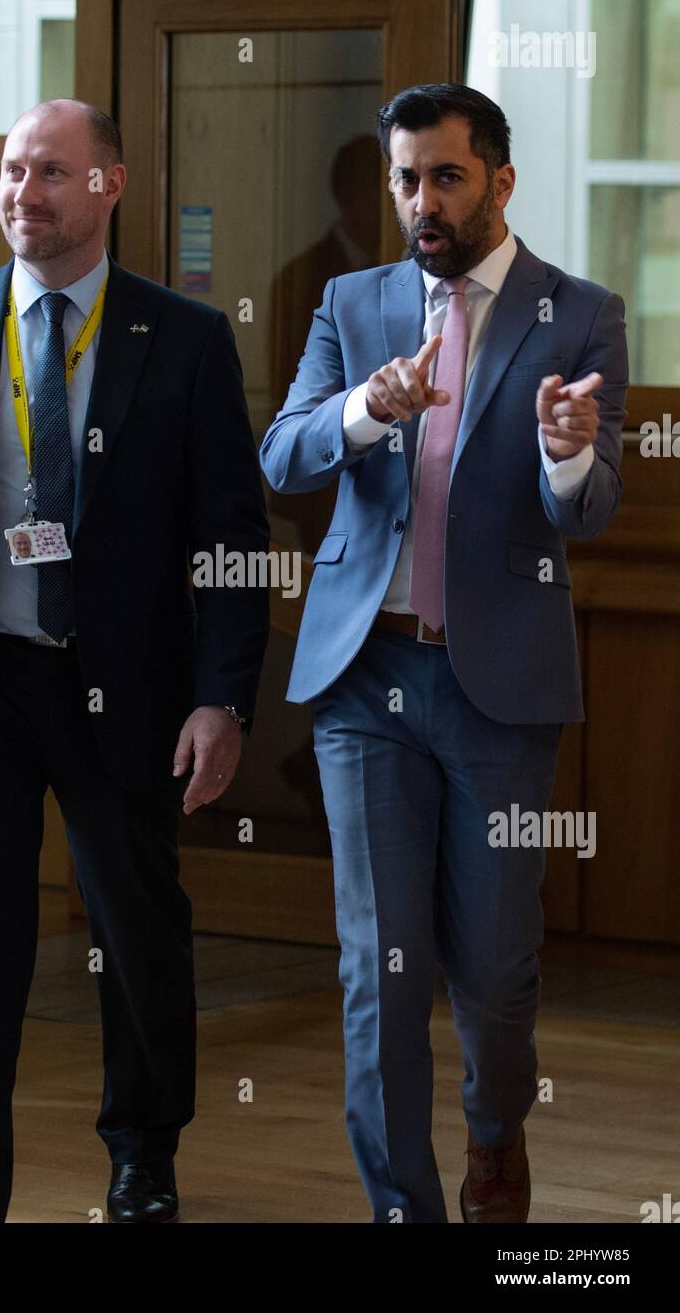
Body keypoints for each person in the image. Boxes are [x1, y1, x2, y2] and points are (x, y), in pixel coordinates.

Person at [0, 99, 269, 1224]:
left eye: (50, 173)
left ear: (108, 187)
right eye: (11, 172)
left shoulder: (180, 337)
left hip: (126, 683)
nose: (22, 193)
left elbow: (229, 537)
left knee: (134, 930)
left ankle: (142, 1158)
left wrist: (222, 698)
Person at [260, 83, 628, 1224]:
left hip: (499, 690)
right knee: (379, 964)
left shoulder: (578, 311)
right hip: (362, 681)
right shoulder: (352, 302)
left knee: (493, 967)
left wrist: (565, 453)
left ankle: (491, 1132)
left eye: (446, 177)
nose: (421, 201)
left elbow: (587, 509)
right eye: (405, 179)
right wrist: (364, 410)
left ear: (500, 181)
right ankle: (402, 1211)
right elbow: (281, 459)